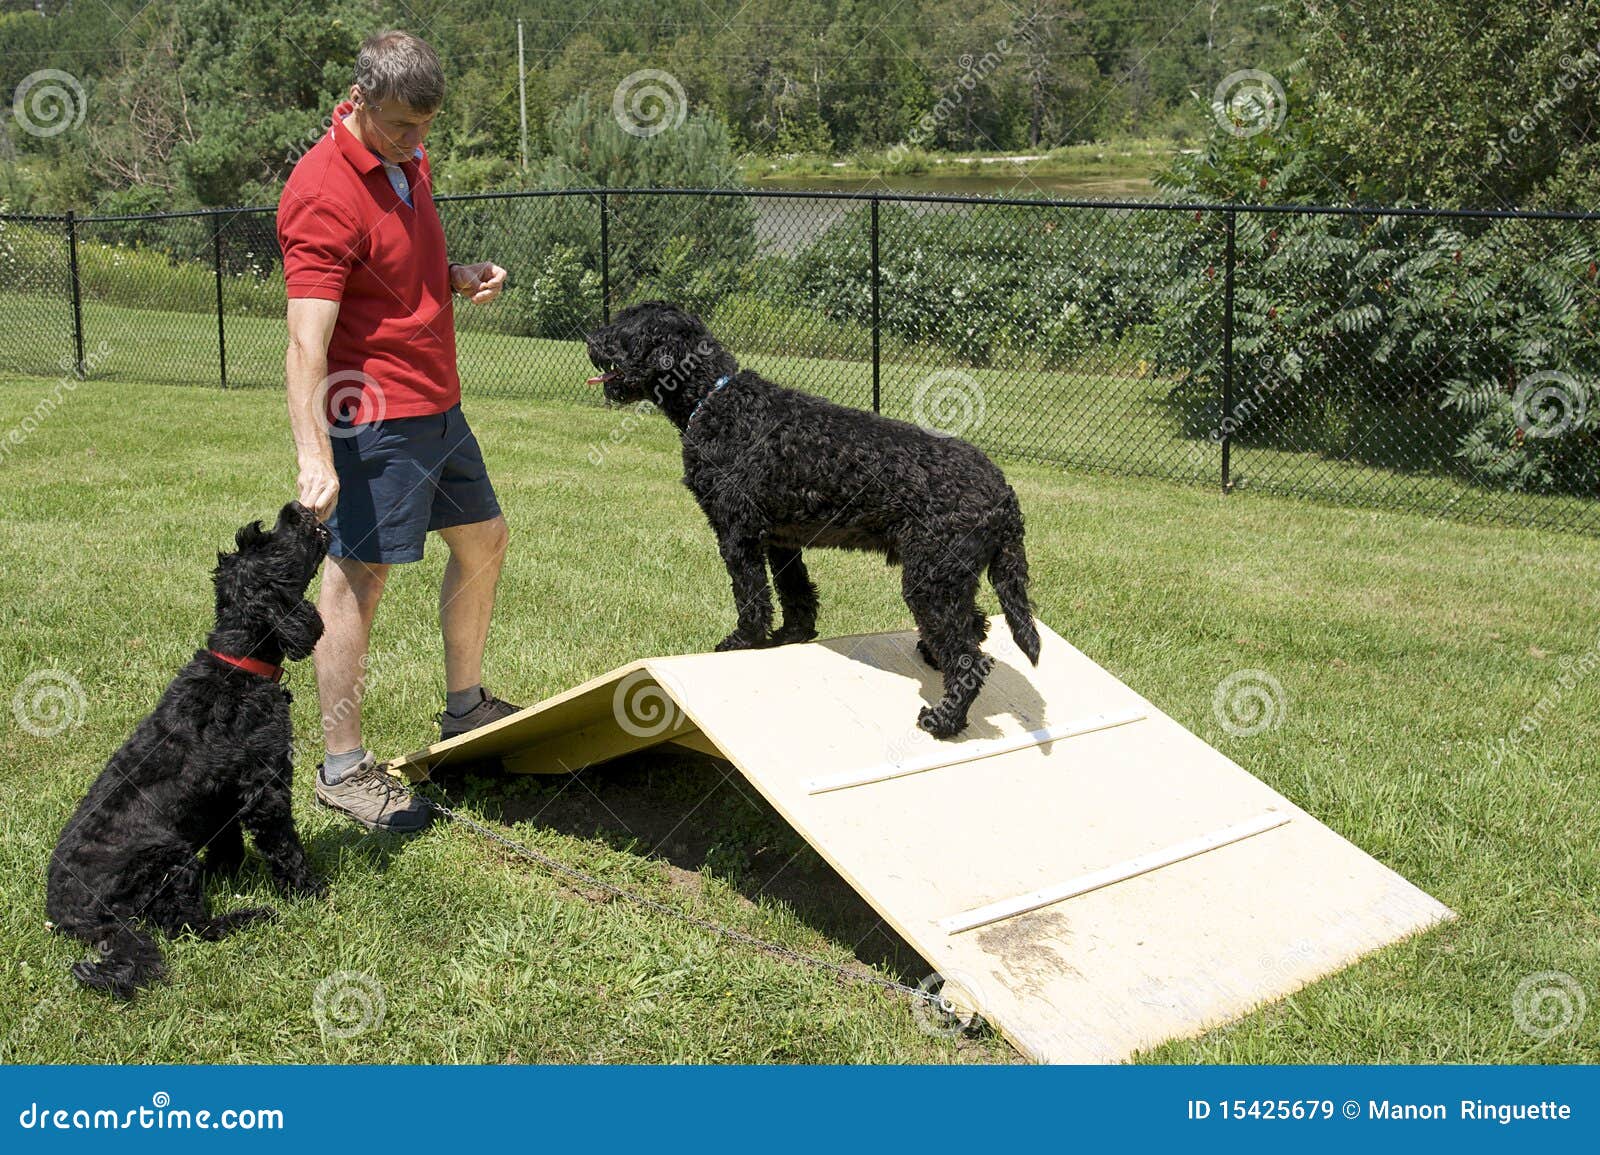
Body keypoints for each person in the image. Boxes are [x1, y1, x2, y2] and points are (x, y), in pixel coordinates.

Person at [277, 29, 518, 834]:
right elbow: (307, 340)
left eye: (428, 127)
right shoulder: (320, 192)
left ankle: (465, 711)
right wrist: (314, 455)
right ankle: (343, 768)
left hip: (436, 400)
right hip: (372, 413)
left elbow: (395, 271)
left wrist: (453, 278)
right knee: (359, 579)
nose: (419, 144)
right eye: (403, 128)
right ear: (359, 101)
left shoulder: (405, 153)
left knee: (484, 537)